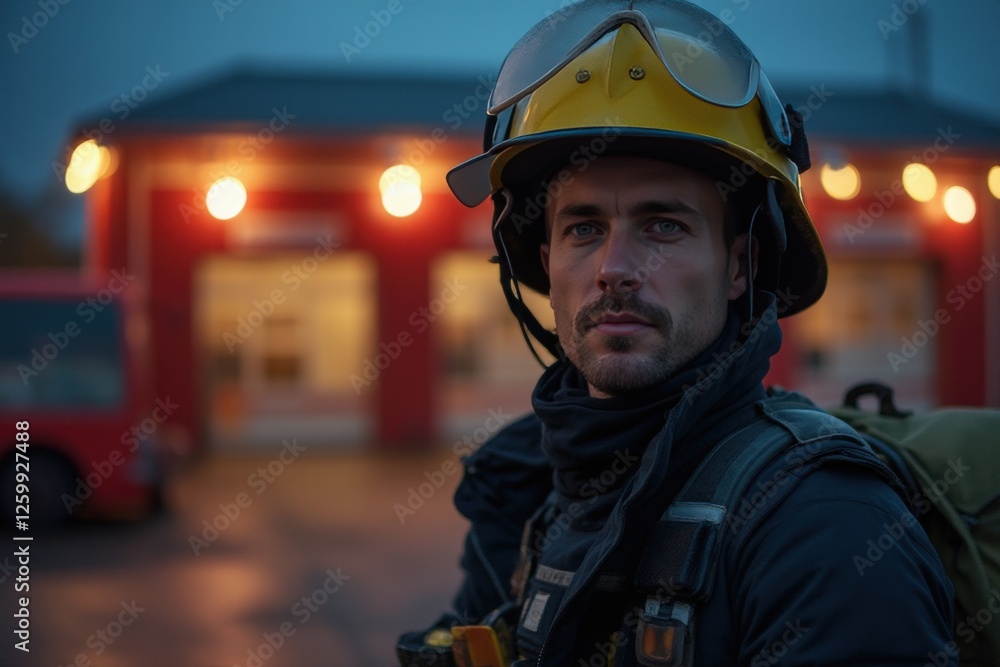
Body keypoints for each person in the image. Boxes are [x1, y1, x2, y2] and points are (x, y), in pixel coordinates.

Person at [398, 1, 956, 665]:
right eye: (583, 228)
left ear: (740, 266)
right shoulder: (522, 495)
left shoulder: (826, 525)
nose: (614, 269)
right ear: (546, 263)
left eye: (663, 225)